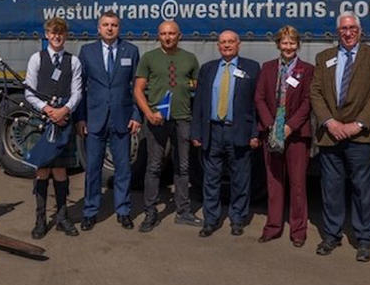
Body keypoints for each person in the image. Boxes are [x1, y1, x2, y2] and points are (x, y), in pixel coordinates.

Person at [309, 13, 370, 261]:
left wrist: (358, 124)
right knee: (331, 188)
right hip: (330, 135)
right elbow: (316, 93)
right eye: (343, 28)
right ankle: (331, 235)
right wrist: (330, 123)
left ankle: (365, 239)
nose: (348, 32)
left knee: (362, 190)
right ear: (337, 32)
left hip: (360, 136)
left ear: (360, 31)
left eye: (352, 28)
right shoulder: (324, 57)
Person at [75, 12, 141, 231]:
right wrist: (81, 117)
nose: (110, 28)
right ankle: (90, 211)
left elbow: (137, 87)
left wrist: (136, 115)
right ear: (98, 28)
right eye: (106, 25)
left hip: (122, 120)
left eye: (114, 25)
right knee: (93, 168)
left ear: (119, 28)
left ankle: (123, 210)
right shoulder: (87, 52)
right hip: (94, 120)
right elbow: (80, 89)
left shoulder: (131, 51)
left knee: (123, 169)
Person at [191, 31, 260, 237]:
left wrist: (255, 132)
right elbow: (200, 104)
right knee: (210, 179)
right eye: (223, 42)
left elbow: (257, 104)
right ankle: (210, 220)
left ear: (239, 44)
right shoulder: (208, 69)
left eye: (231, 42)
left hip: (239, 131)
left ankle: (237, 219)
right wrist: (197, 131)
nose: (227, 45)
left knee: (241, 178)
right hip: (213, 131)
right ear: (218, 46)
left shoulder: (252, 68)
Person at [134, 20, 201, 232]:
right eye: (163, 33)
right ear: (158, 36)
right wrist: (148, 114)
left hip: (182, 119)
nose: (168, 37)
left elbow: (197, 88)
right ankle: (150, 212)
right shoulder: (149, 58)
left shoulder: (190, 59)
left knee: (182, 166)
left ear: (179, 35)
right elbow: (137, 90)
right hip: (157, 119)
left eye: (172, 33)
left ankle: (183, 211)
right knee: (154, 166)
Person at [254, 25, 314, 247]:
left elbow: (309, 101)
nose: (288, 47)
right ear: (278, 44)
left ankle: (298, 230)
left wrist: (289, 126)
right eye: (284, 42)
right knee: (274, 182)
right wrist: (271, 125)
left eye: (292, 43)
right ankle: (273, 226)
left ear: (298, 45)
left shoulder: (307, 70)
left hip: (296, 134)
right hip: (271, 133)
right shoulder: (268, 68)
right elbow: (259, 98)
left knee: (298, 184)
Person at [23, 17, 82, 238]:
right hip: (42, 121)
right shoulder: (36, 59)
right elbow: (29, 92)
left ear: (65, 35)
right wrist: (48, 110)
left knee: (60, 170)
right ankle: (40, 220)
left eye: (61, 33)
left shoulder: (73, 61)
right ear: (47, 35)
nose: (57, 36)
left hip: (64, 120)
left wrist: (64, 110)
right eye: (53, 33)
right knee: (42, 170)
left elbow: (77, 92)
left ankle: (62, 218)